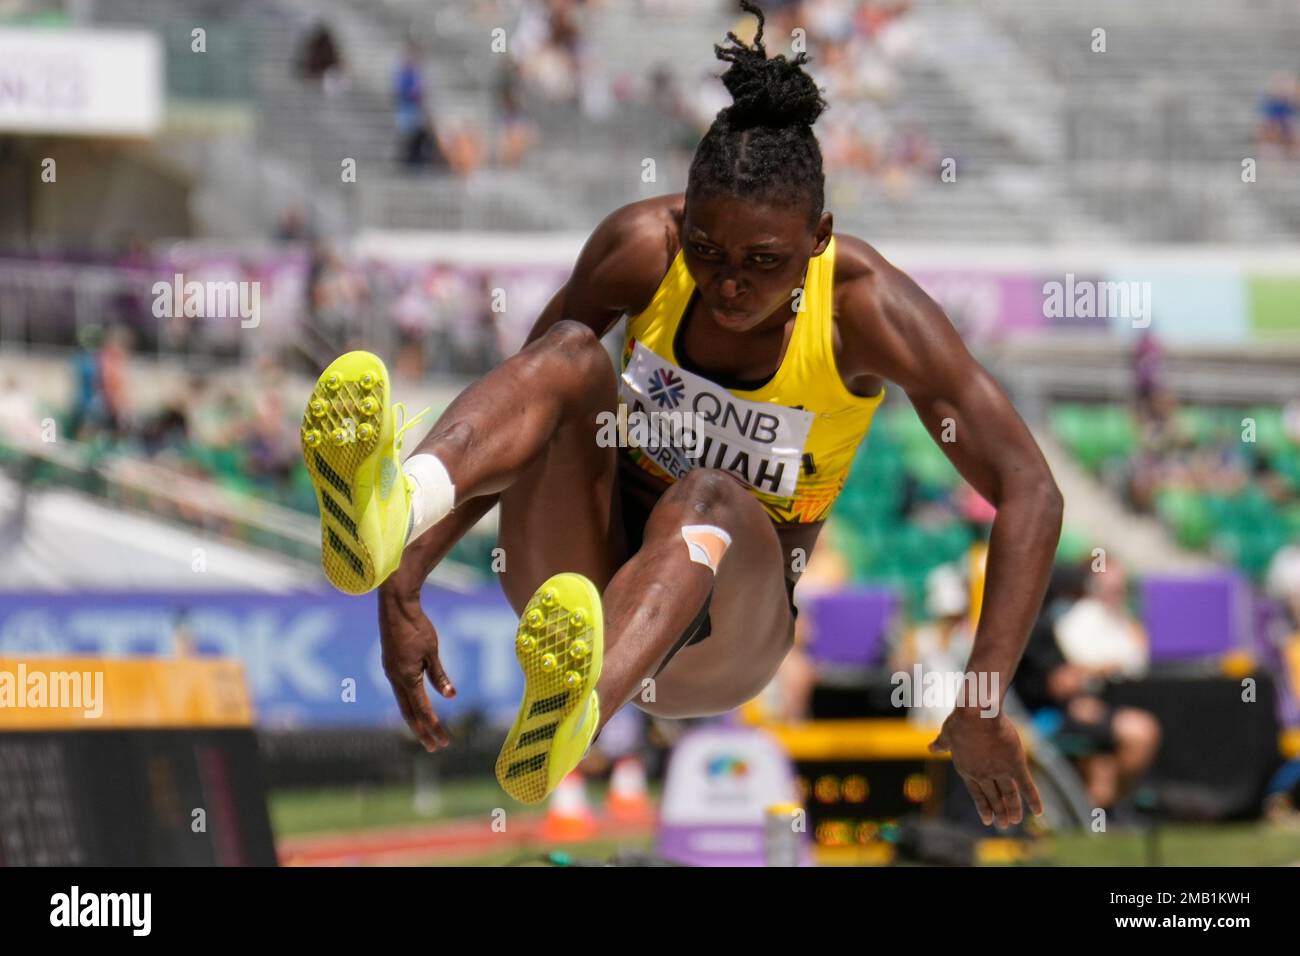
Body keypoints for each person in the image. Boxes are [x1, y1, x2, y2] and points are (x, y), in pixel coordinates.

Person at [299, 2, 1063, 826]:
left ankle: (581, 714)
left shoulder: (866, 312)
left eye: (763, 262)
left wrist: (982, 700)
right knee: (563, 354)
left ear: (819, 238)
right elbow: (519, 428)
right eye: (708, 249)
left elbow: (1030, 488)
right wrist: (403, 580)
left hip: (720, 640)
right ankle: (394, 507)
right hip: (576, 577)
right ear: (682, 219)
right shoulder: (638, 247)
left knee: (707, 496)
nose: (728, 283)